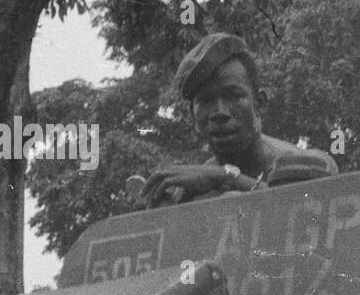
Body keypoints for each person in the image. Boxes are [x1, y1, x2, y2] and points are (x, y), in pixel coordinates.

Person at [143, 33, 337, 206]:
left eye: (233, 96)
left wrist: (226, 178)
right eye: (206, 100)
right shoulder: (188, 190)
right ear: (193, 114)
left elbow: (305, 207)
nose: (220, 112)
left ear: (259, 103)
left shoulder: (303, 163)